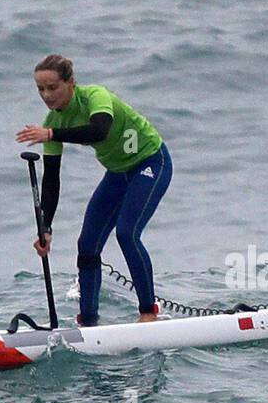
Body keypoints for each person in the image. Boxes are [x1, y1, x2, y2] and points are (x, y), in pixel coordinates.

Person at [16, 54, 171, 326]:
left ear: (71, 83)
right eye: (40, 89)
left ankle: (148, 313)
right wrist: (46, 228)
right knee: (87, 245)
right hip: (118, 174)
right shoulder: (53, 121)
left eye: (52, 87)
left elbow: (99, 130)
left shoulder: (95, 97)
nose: (46, 95)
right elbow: (51, 179)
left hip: (150, 162)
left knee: (127, 233)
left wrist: (51, 135)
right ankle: (88, 321)